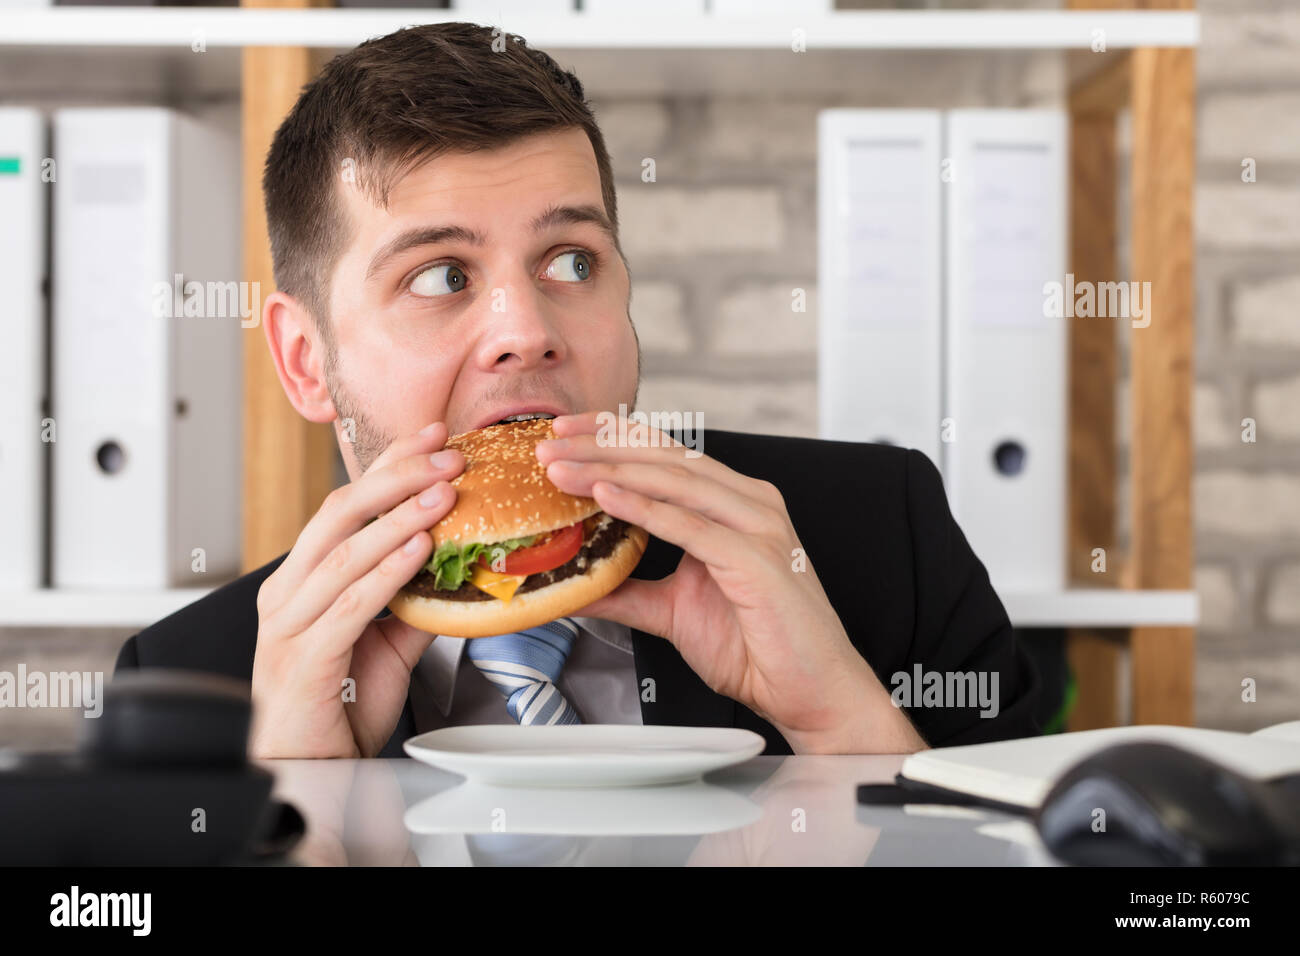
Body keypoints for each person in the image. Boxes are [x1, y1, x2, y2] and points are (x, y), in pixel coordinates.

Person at [115, 21, 1039, 758]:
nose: (526, 333)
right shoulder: (182, 676)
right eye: (441, 276)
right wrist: (304, 812)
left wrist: (844, 732)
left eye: (571, 260)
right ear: (307, 360)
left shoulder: (885, 535)